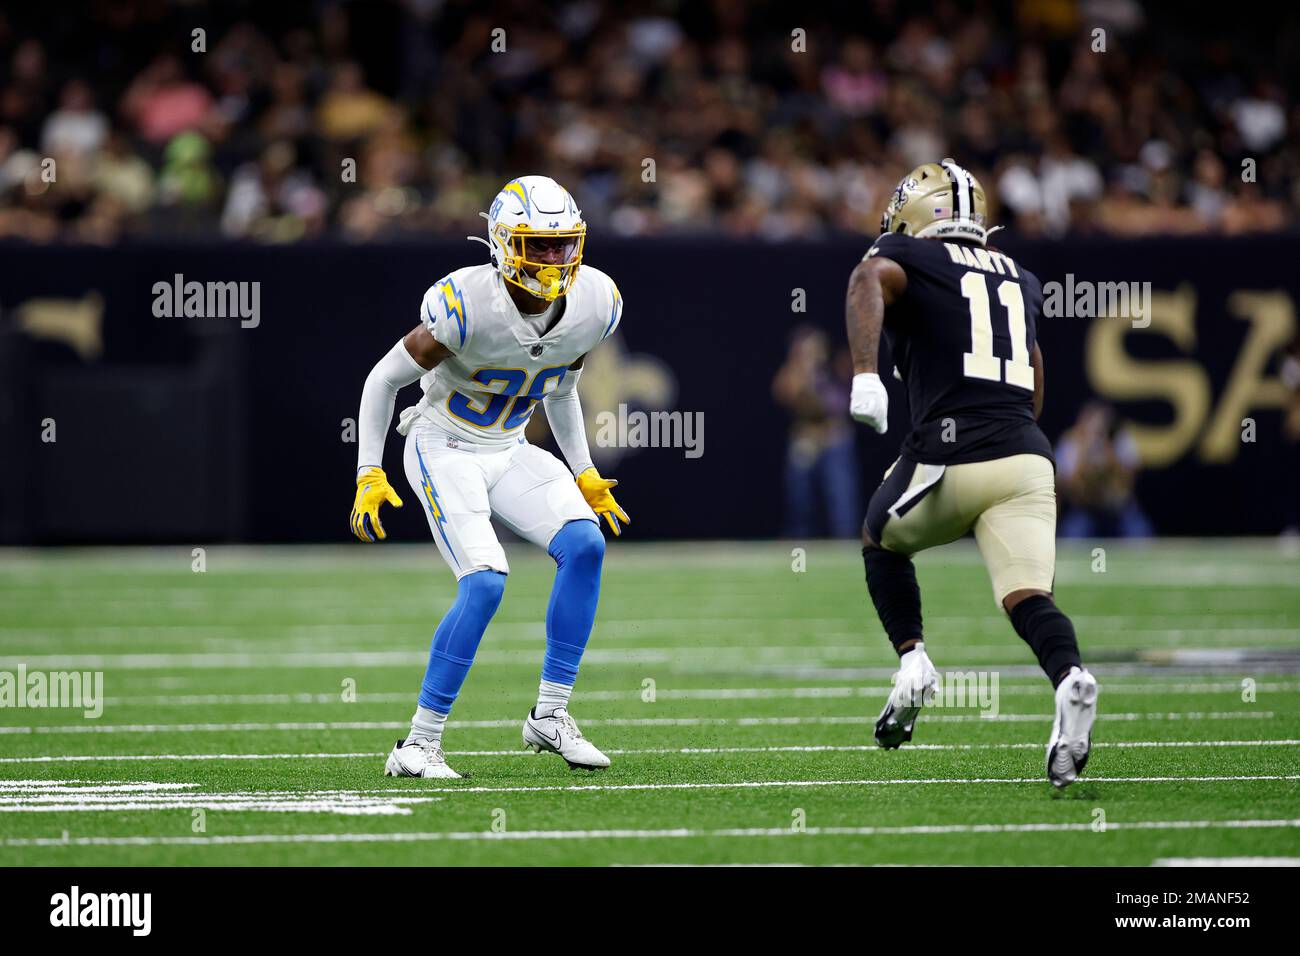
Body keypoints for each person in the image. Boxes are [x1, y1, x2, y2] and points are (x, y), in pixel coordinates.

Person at [350, 175, 629, 778]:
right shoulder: (464, 305)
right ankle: (418, 744)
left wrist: (582, 471)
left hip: (508, 445)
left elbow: (563, 388)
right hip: (443, 443)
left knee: (584, 545)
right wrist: (367, 469)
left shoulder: (594, 303)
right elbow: (383, 380)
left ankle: (550, 715)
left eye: (564, 245)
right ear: (504, 243)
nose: (554, 259)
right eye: (539, 245)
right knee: (485, 583)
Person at [845, 159, 1098, 788]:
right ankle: (1071, 677)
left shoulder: (910, 255)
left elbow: (866, 278)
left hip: (954, 452)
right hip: (1028, 457)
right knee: (1028, 598)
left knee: (881, 539)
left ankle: (914, 662)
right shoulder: (1021, 276)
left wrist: (866, 375)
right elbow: (1036, 371)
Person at [771, 326, 861, 538]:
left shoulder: (837, 368)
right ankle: (800, 541)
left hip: (834, 439)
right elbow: (784, 395)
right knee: (801, 498)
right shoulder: (795, 372)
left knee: (841, 496)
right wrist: (803, 370)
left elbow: (841, 405)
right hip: (806, 440)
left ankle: (845, 541)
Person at [1055, 401, 1152, 538]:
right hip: (1086, 510)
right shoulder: (1072, 440)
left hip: (1119, 509)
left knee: (1141, 538)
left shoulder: (1119, 438)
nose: (1097, 431)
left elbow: (1130, 479)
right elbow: (1068, 486)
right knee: (1071, 538)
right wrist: (1085, 453)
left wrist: (1109, 452)